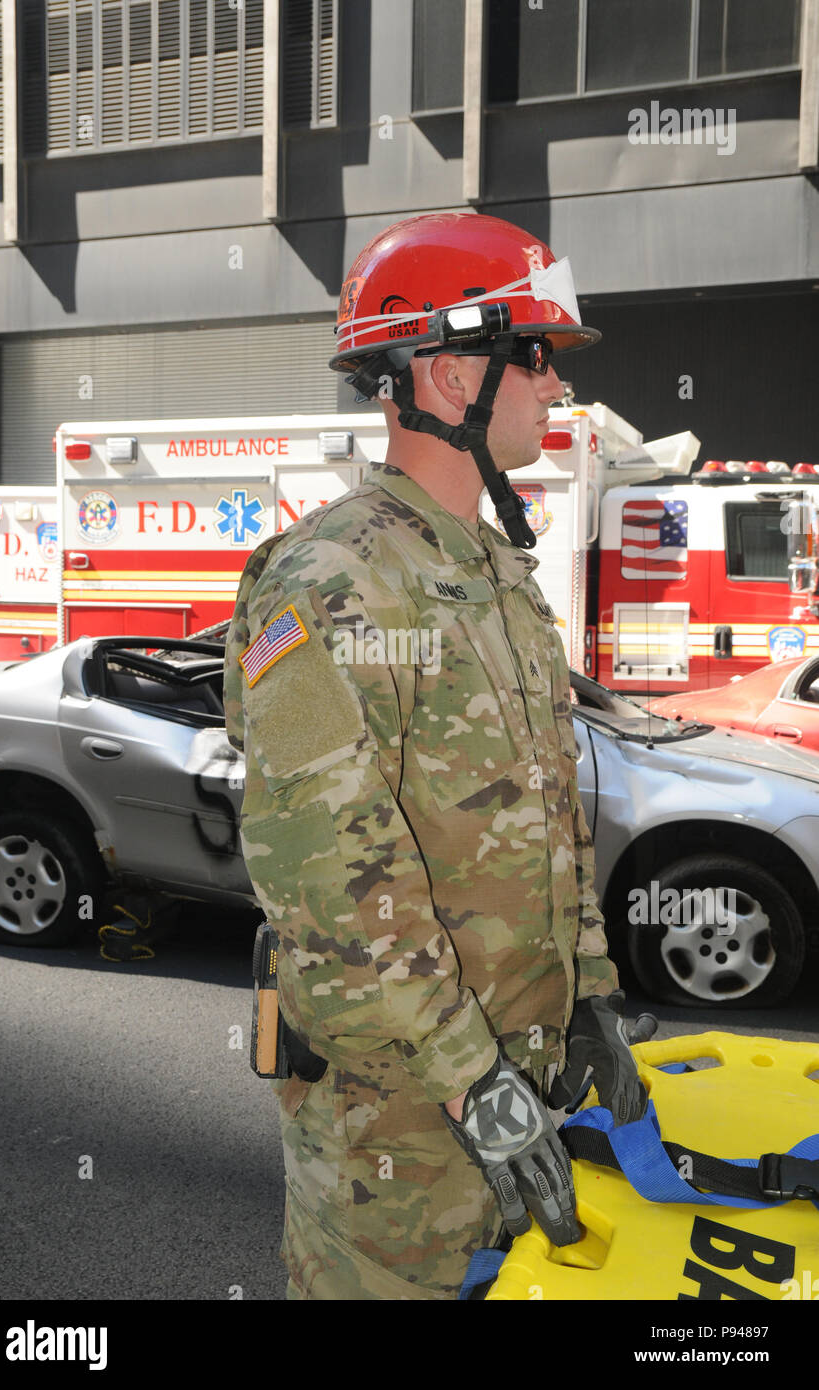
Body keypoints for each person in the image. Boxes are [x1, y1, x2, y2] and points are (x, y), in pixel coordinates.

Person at [223, 212, 646, 1301]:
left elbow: (548, 816)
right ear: (453, 375)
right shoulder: (332, 579)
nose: (555, 384)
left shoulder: (494, 574)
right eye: (535, 354)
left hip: (516, 1086)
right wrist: (468, 1080)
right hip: (400, 1127)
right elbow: (325, 875)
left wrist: (590, 994)